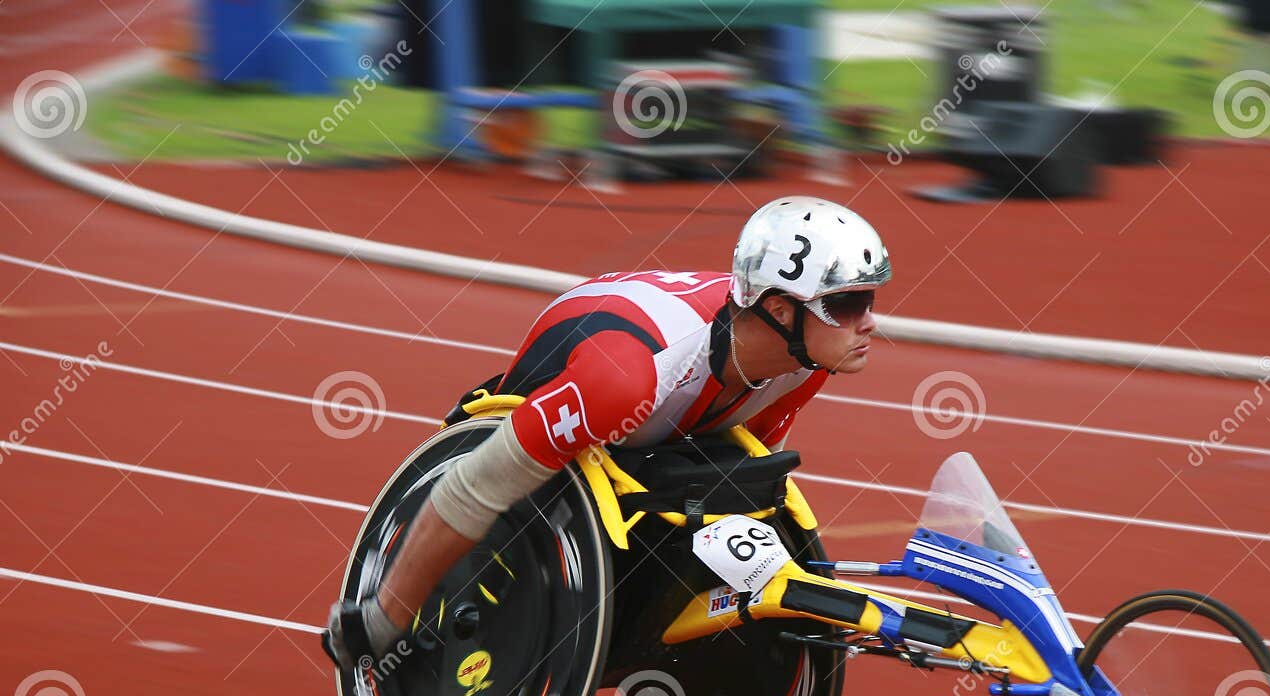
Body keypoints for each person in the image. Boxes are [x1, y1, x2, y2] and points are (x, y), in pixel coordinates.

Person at [323, 196, 891, 666]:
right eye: (847, 304)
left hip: (663, 392)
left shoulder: (805, 362)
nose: (870, 321)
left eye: (870, 299)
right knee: (526, 465)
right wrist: (381, 620)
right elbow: (472, 486)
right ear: (780, 310)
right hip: (600, 369)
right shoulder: (629, 379)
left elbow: (740, 474)